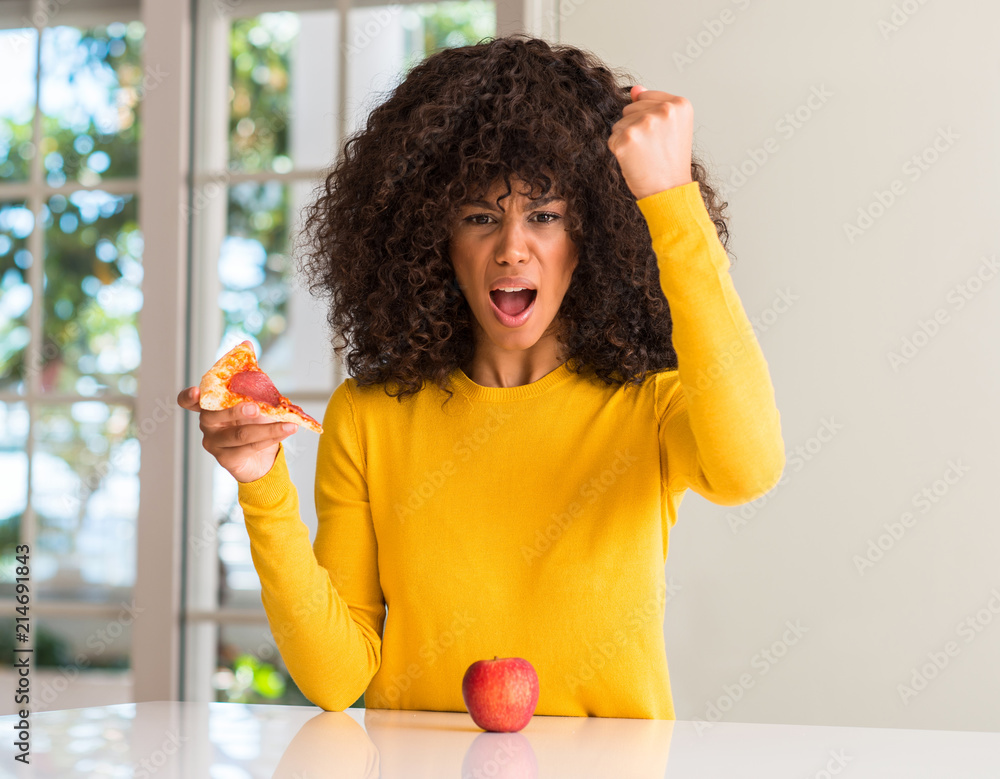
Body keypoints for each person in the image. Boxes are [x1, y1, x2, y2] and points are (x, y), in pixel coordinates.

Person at [177, 34, 785, 719]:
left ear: (591, 237)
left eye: (546, 216)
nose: (512, 247)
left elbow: (748, 469)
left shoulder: (646, 402)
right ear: (435, 243)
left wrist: (670, 200)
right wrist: (262, 485)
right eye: (479, 218)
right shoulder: (369, 414)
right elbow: (335, 675)